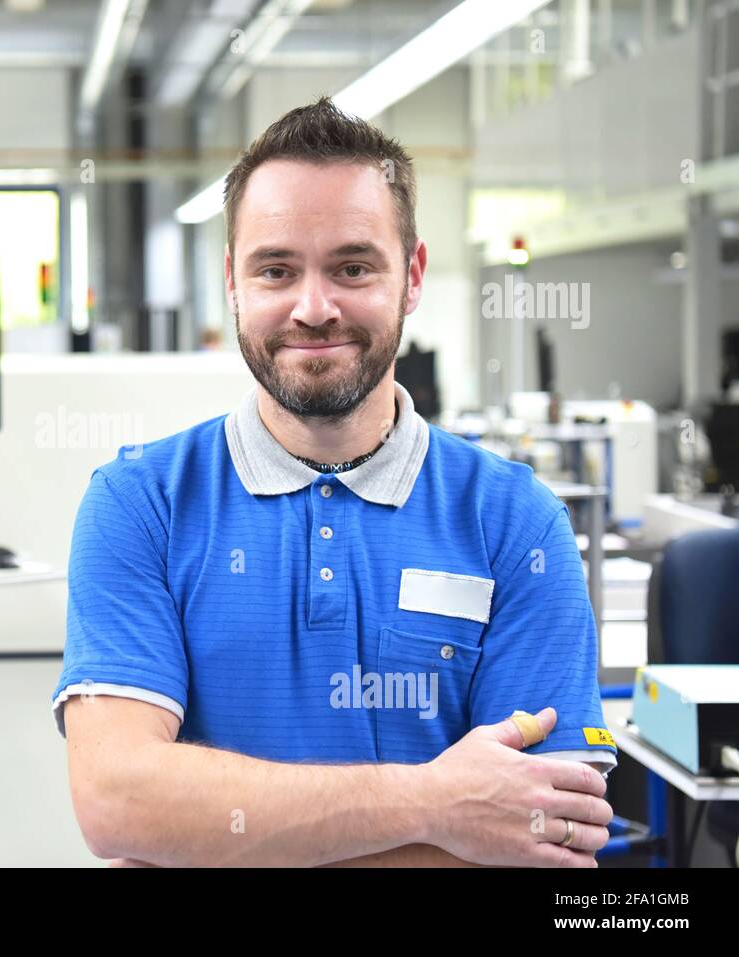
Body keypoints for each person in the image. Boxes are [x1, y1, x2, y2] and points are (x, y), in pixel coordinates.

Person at [51, 96, 616, 868]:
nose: (314, 308)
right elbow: (119, 803)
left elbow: (545, 835)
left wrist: (203, 833)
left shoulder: (519, 523)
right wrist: (439, 806)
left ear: (412, 276)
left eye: (353, 267)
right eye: (276, 269)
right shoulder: (141, 504)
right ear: (234, 282)